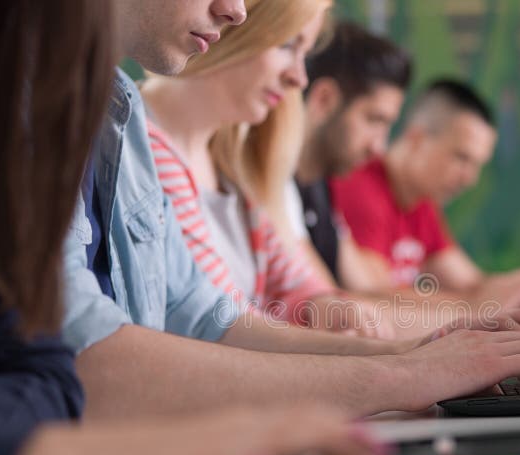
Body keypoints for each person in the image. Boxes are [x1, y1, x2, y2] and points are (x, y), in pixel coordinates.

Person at [0, 0, 381, 455]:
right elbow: (81, 361)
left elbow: (198, 314)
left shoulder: (116, 109)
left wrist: (401, 361)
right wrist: (382, 377)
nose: (235, 11)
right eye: (287, 45)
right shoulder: (14, 99)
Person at [63, 0, 520, 423]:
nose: (234, 11)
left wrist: (423, 352)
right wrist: (406, 372)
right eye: (290, 46)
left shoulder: (126, 117)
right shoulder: (110, 127)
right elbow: (91, 357)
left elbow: (207, 316)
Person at [141, 0, 388, 337]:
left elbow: (295, 281)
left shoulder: (234, 164)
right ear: (230, 28)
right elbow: (223, 324)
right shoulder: (142, 146)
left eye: (304, 54)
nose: (298, 78)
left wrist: (326, 306)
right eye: (287, 45)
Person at [332, 79, 520, 310]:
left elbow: (472, 283)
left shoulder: (421, 202)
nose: (470, 179)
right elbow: (374, 294)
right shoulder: (362, 189)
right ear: (417, 139)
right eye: (461, 158)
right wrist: (477, 304)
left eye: (477, 165)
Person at [295, 21, 412, 291]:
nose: (378, 148)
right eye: (374, 119)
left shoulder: (319, 187)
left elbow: (369, 291)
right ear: (324, 100)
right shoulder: (275, 185)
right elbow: (330, 303)